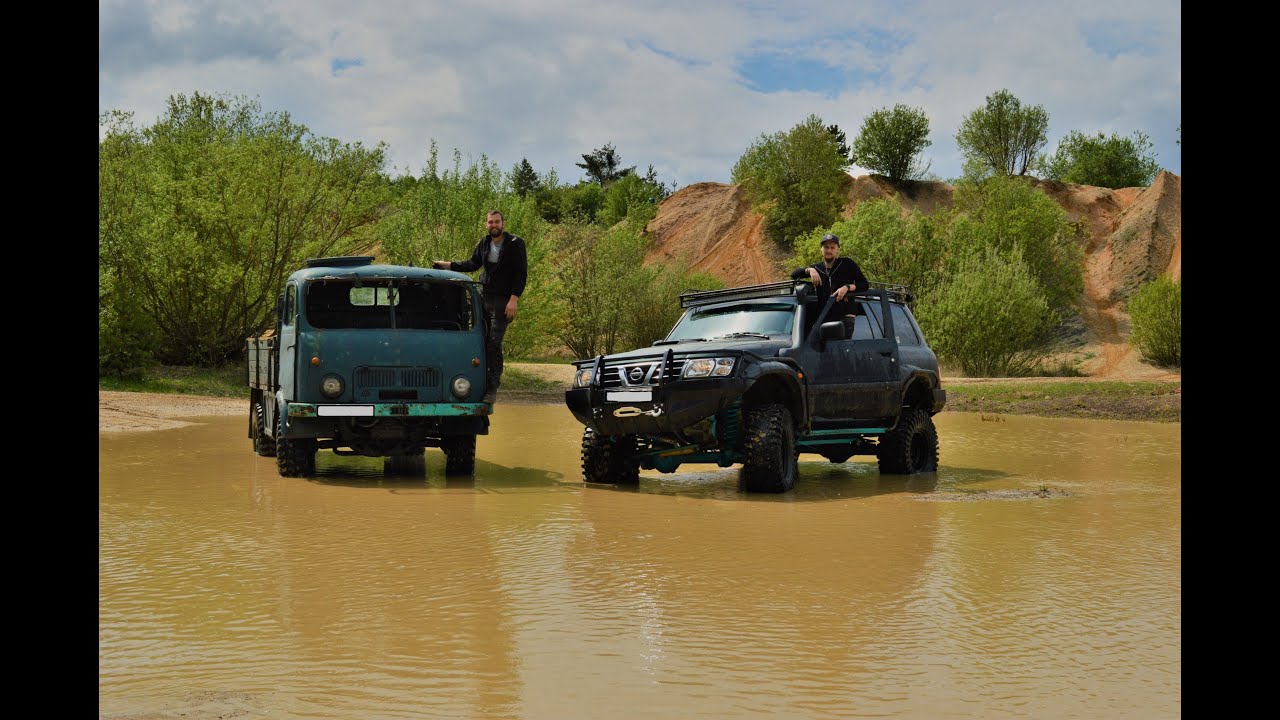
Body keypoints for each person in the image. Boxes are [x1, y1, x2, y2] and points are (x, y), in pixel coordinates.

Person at [433, 210, 527, 404]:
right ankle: (475, 383)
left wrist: (514, 299)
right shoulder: (484, 243)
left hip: (503, 301)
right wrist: (447, 265)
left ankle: (492, 389)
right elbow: (472, 264)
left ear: (503, 223)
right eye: (490, 222)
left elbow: (521, 273)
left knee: (494, 342)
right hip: (484, 297)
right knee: (479, 341)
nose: (494, 225)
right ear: (486, 224)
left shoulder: (516, 243)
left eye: (497, 222)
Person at [790, 233, 869, 334]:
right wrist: (809, 270)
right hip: (824, 318)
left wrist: (847, 287)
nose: (829, 250)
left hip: (844, 318)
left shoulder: (847, 264)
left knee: (840, 348)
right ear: (821, 249)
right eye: (826, 247)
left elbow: (864, 284)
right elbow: (794, 274)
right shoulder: (817, 268)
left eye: (832, 247)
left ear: (837, 250)